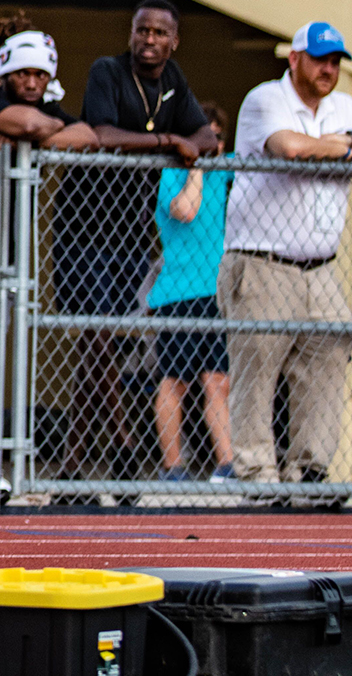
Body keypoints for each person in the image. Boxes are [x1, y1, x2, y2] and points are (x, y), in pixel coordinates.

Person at [50, 0, 217, 494]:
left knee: (99, 341)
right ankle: (123, 446)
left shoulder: (173, 81)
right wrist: (169, 143)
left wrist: (187, 143)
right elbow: (102, 134)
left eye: (160, 33)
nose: (149, 39)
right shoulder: (107, 71)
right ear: (131, 33)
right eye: (142, 30)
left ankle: (72, 463)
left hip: (129, 234)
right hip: (83, 229)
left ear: (174, 41)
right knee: (99, 334)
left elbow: (205, 136)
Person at [0, 24, 99, 498]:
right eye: (22, 74)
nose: (31, 83)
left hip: (5, 254)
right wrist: (39, 134)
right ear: (6, 73)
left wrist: (37, 137)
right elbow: (31, 126)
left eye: (40, 75)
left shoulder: (45, 108)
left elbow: (88, 135)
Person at [222, 22, 352, 500]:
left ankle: (308, 475)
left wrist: (331, 145)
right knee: (257, 368)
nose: (328, 69)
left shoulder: (344, 106)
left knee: (329, 359)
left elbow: (308, 148)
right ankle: (258, 476)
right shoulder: (265, 99)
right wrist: (342, 145)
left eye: (335, 61)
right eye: (319, 59)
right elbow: (290, 149)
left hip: (321, 266)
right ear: (294, 58)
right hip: (263, 260)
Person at [151, 101, 234, 484]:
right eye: (203, 137)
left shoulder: (227, 170)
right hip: (179, 292)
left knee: (218, 381)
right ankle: (174, 467)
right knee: (176, 380)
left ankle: (228, 464)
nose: (211, 145)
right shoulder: (172, 174)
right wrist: (196, 165)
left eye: (216, 138)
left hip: (218, 291)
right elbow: (185, 210)